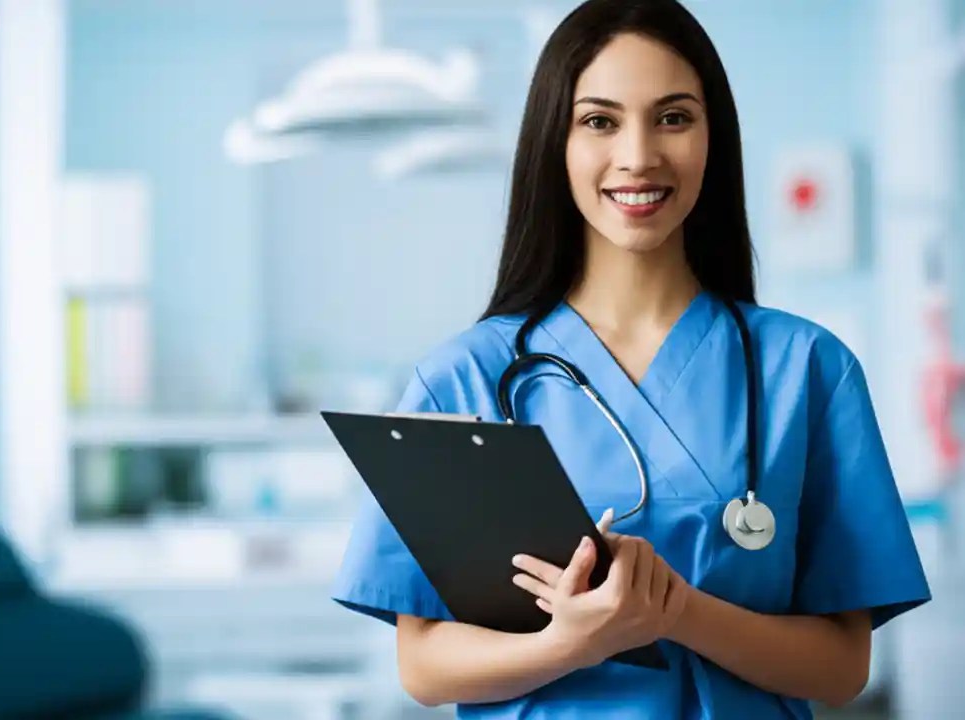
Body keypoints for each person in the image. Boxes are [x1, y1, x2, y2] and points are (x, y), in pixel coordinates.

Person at [330, 0, 931, 717]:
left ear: (714, 137)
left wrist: (676, 611)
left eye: (673, 117)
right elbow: (424, 665)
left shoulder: (806, 369)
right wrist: (572, 643)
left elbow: (840, 667)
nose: (639, 155)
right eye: (600, 121)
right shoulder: (464, 379)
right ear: (556, 142)